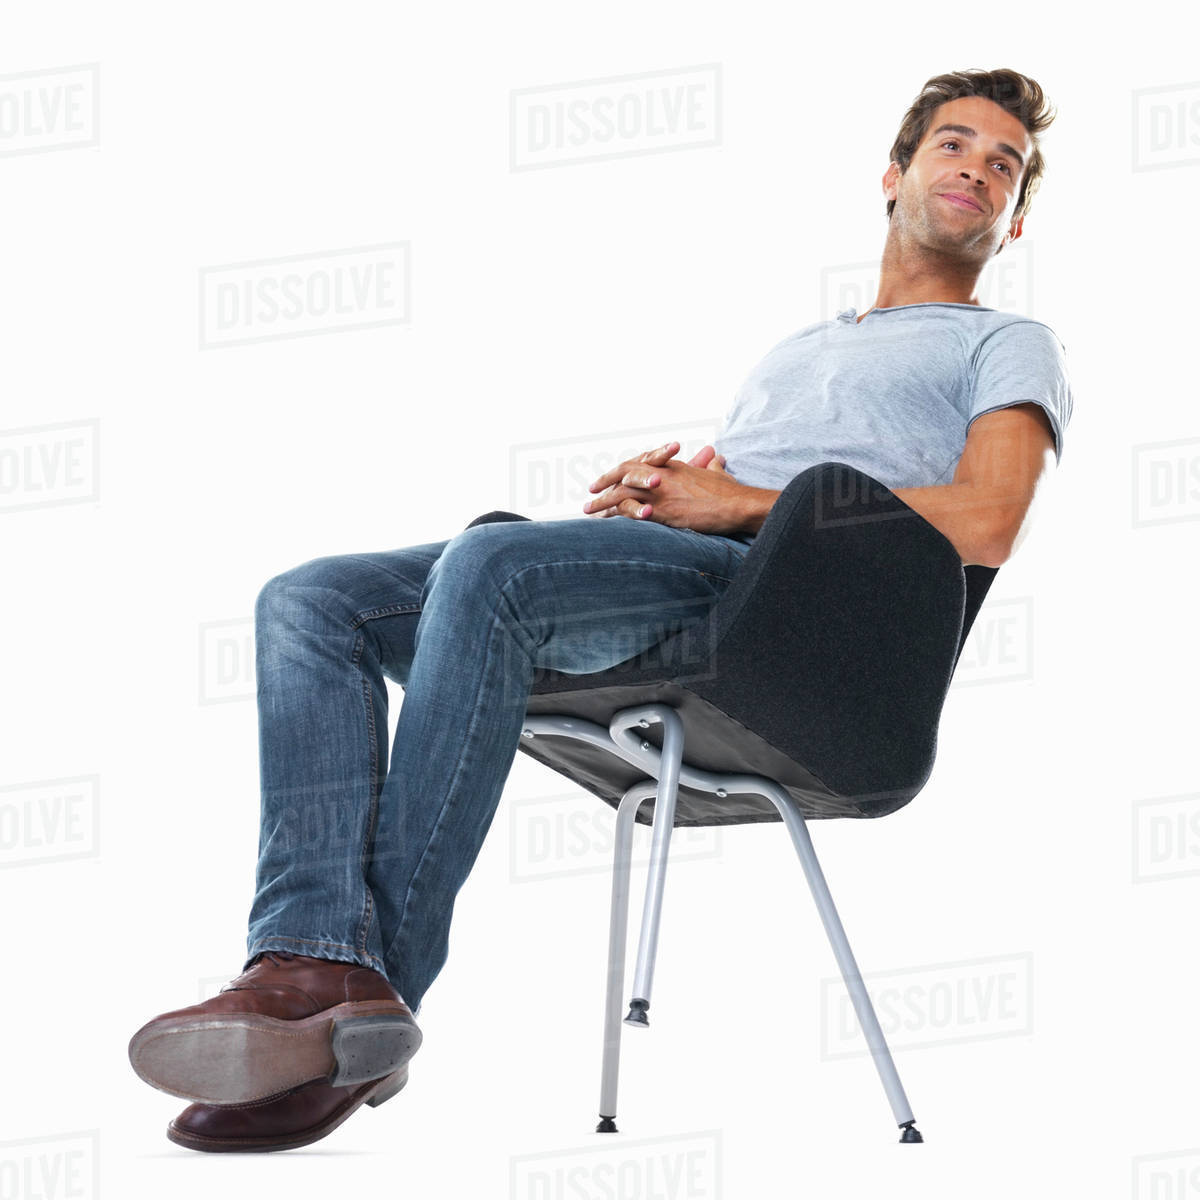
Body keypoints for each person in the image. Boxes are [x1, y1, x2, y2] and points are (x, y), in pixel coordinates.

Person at [127, 66, 1073, 1152]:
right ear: (895, 174)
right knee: (310, 604)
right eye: (957, 145)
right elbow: (733, 483)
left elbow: (990, 520)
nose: (980, 170)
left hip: (790, 624)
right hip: (691, 565)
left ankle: (352, 981)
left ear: (1007, 222)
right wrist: (661, 492)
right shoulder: (802, 350)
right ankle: (312, 965)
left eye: (1006, 166)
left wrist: (736, 504)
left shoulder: (1009, 343)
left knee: (493, 569)